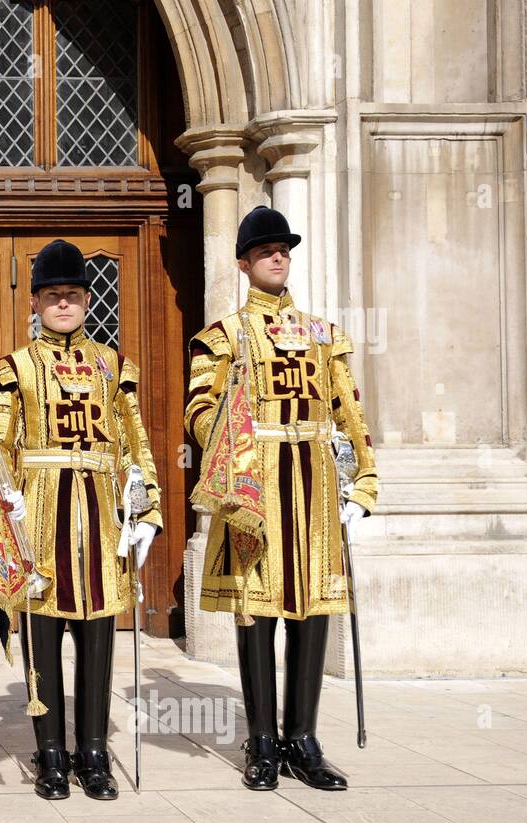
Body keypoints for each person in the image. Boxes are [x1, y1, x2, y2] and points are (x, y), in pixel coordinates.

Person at [185, 206, 378, 791]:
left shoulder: (324, 334)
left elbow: (349, 411)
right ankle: (263, 741)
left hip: (316, 486)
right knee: (259, 608)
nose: (277, 256)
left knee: (315, 607)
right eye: (265, 249)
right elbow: (197, 411)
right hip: (257, 483)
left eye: (284, 249)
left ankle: (304, 738)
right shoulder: (223, 336)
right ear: (243, 263)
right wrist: (232, 439)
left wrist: (361, 480)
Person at [0, 239, 161, 800]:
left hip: (102, 516)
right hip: (39, 511)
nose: (64, 304)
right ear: (34, 302)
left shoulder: (114, 367)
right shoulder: (12, 369)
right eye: (53, 295)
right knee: (43, 634)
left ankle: (93, 752)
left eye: (73, 295)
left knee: (98, 634)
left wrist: (146, 502)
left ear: (88, 299)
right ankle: (51, 753)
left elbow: (136, 443)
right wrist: (3, 503)